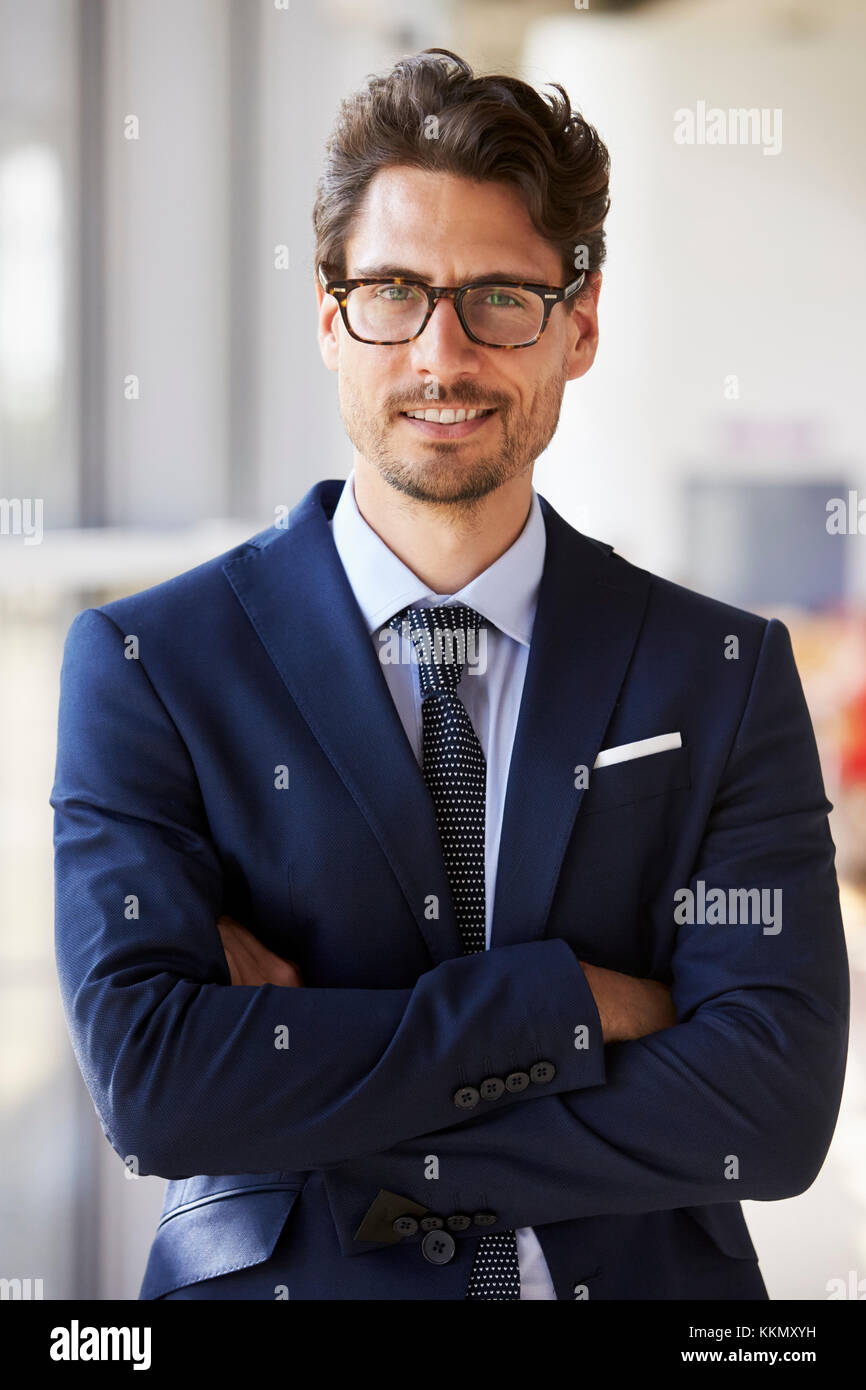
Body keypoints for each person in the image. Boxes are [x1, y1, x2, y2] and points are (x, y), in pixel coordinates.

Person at [52, 48, 849, 1301]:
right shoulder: (152, 667)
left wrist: (301, 1093)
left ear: (575, 326)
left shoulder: (721, 671)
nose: (442, 353)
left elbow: (770, 1105)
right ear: (328, 315)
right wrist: (564, 1005)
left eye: (498, 297)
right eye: (392, 292)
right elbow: (157, 1089)